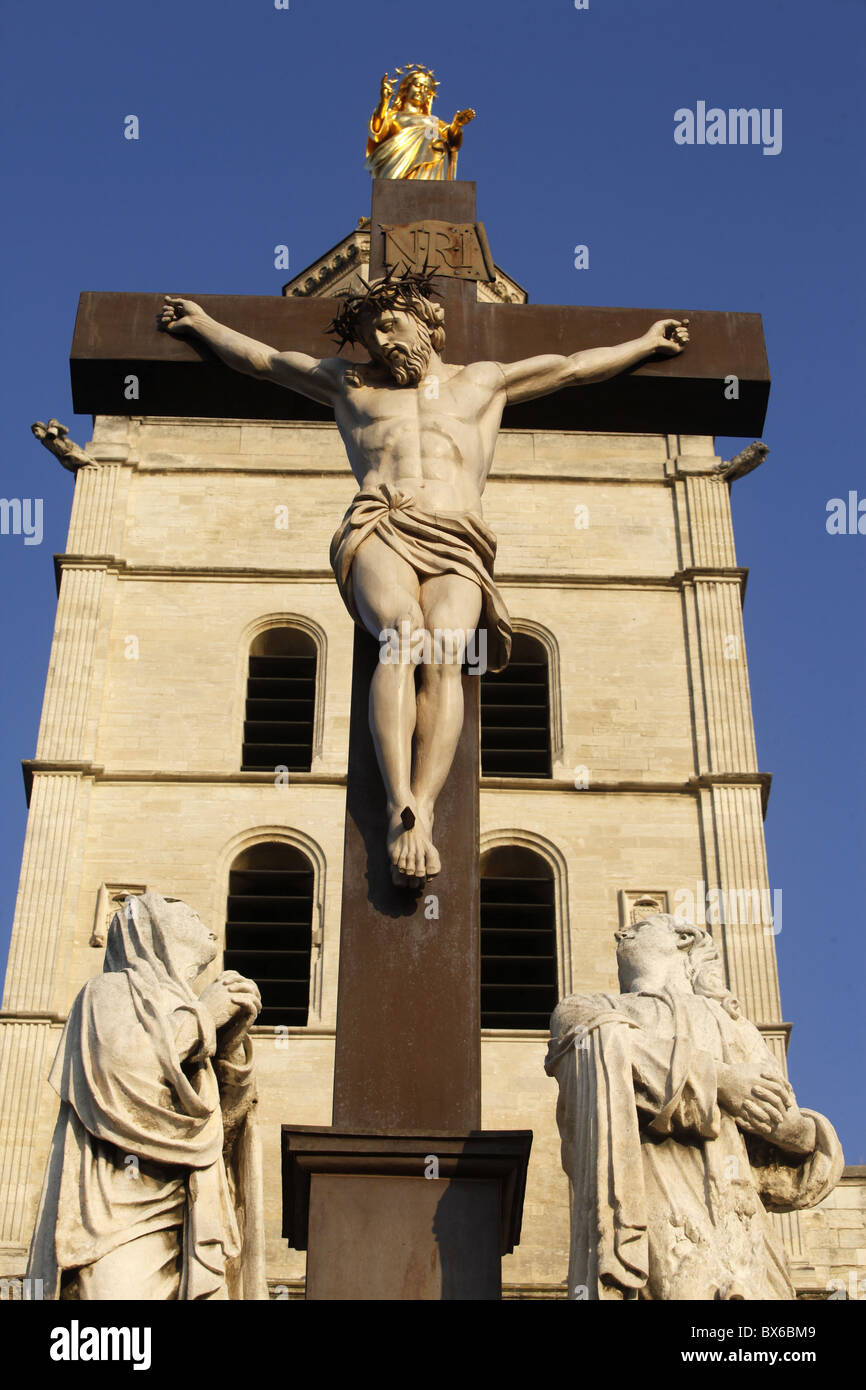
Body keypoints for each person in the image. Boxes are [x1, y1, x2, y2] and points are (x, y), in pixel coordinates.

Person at [158, 276, 688, 887]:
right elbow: (267, 361)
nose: (382, 343)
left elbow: (572, 368)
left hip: (458, 534)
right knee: (401, 635)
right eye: (370, 335)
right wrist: (202, 325)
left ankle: (425, 809)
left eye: (390, 326)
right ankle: (397, 799)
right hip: (381, 521)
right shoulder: (348, 383)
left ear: (428, 319)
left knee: (443, 650)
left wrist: (646, 344)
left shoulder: (482, 381)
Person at [545, 913, 844, 1300]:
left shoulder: (734, 1025)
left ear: (684, 938)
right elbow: (601, 1049)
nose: (622, 933)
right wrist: (721, 1083)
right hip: (653, 1198)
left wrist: (801, 1134)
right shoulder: (584, 1010)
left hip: (742, 1225)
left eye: (639, 927)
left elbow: (786, 1123)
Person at [27, 892, 266, 1300]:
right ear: (153, 930)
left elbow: (223, 1124)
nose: (203, 922)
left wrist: (230, 1046)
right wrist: (204, 1019)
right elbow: (121, 1076)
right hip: (118, 1212)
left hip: (194, 1203)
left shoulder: (191, 1006)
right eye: (187, 914)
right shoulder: (106, 992)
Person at [365, 66, 474, 181]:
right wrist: (383, 103)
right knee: (429, 136)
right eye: (418, 85)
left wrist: (456, 125)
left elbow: (452, 142)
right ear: (406, 88)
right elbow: (376, 134)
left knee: (436, 140)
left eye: (426, 88)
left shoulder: (432, 122)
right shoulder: (392, 116)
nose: (422, 91)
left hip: (428, 175)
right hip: (394, 171)